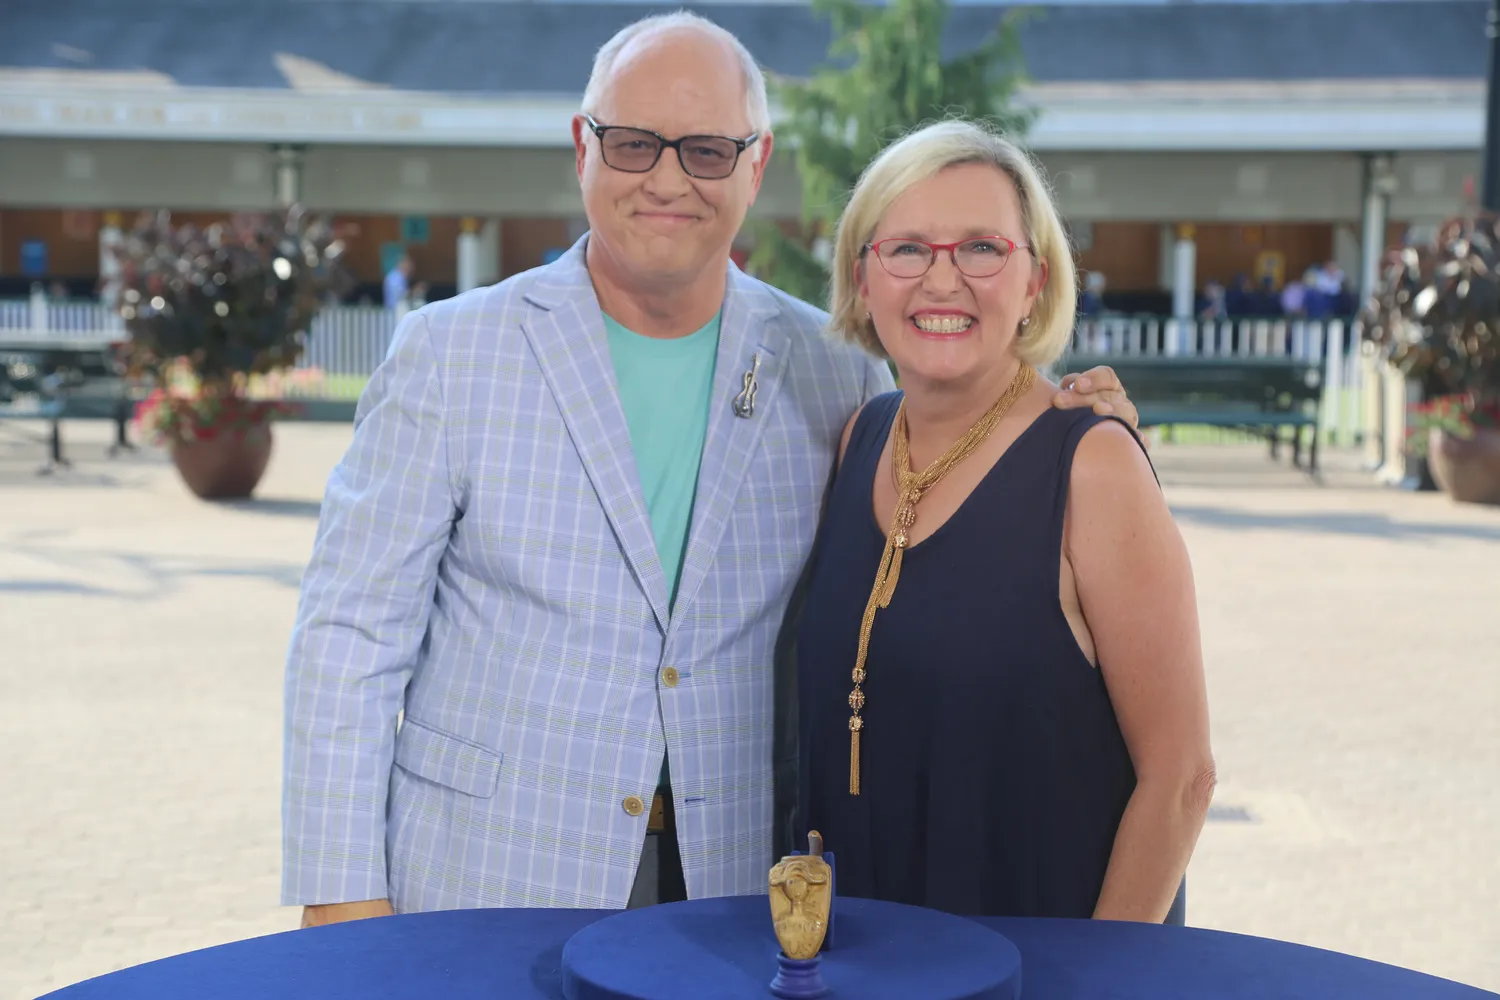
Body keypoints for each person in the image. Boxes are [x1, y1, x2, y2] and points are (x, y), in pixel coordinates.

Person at [282, 13, 1140, 927]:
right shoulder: (449, 355)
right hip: (487, 877)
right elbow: (348, 640)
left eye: (705, 150)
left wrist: (1070, 424)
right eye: (633, 142)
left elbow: (948, 530)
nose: (667, 179)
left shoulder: (837, 374)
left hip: (737, 888)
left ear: (755, 165)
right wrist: (343, 903)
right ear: (582, 147)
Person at [795, 119, 1214, 923]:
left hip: (1040, 958)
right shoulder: (861, 440)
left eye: (982, 248)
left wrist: (1095, 975)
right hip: (864, 945)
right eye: (907, 248)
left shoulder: (1092, 466)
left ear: (1034, 283)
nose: (942, 280)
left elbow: (1182, 779)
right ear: (862, 278)